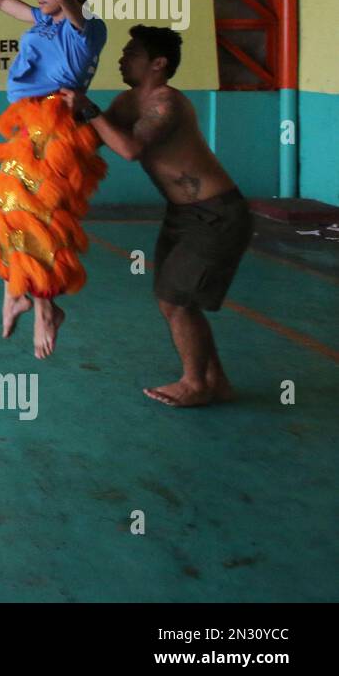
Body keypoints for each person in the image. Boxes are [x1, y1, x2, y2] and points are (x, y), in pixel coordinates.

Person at [60, 26, 252, 407]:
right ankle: (216, 381)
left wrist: (89, 108)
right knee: (174, 300)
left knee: (177, 300)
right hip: (182, 214)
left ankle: (195, 384)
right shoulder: (129, 102)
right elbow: (94, 139)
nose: (122, 58)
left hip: (216, 214)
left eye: (132, 53)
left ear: (158, 64)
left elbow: (129, 149)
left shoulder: (167, 104)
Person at [0, 0, 108, 359]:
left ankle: (46, 308)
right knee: (5, 213)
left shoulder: (83, 29)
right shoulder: (42, 23)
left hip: (55, 129)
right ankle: (19, 292)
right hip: (28, 127)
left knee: (37, 217)